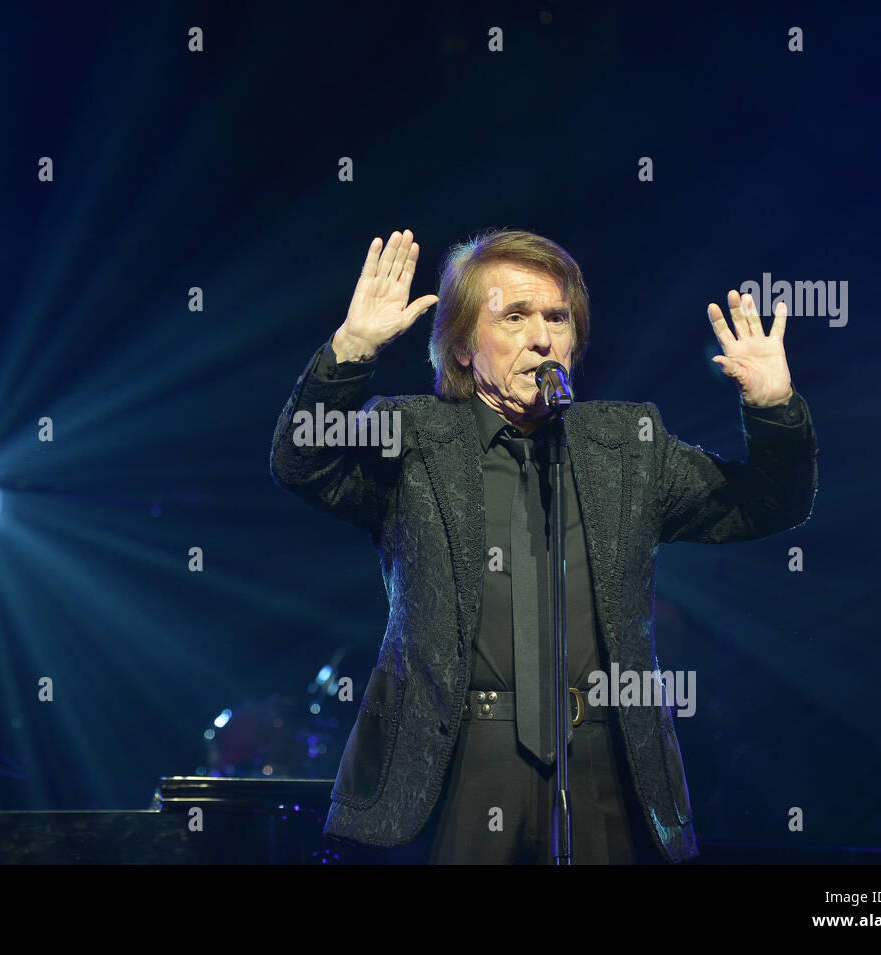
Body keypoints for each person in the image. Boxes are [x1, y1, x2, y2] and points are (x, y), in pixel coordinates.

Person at [269, 228, 817, 864]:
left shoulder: (627, 443)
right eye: (514, 316)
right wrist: (351, 351)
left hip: (602, 766)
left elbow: (770, 504)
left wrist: (774, 407)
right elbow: (300, 462)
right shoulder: (412, 434)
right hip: (454, 766)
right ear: (463, 345)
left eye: (557, 317)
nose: (541, 337)